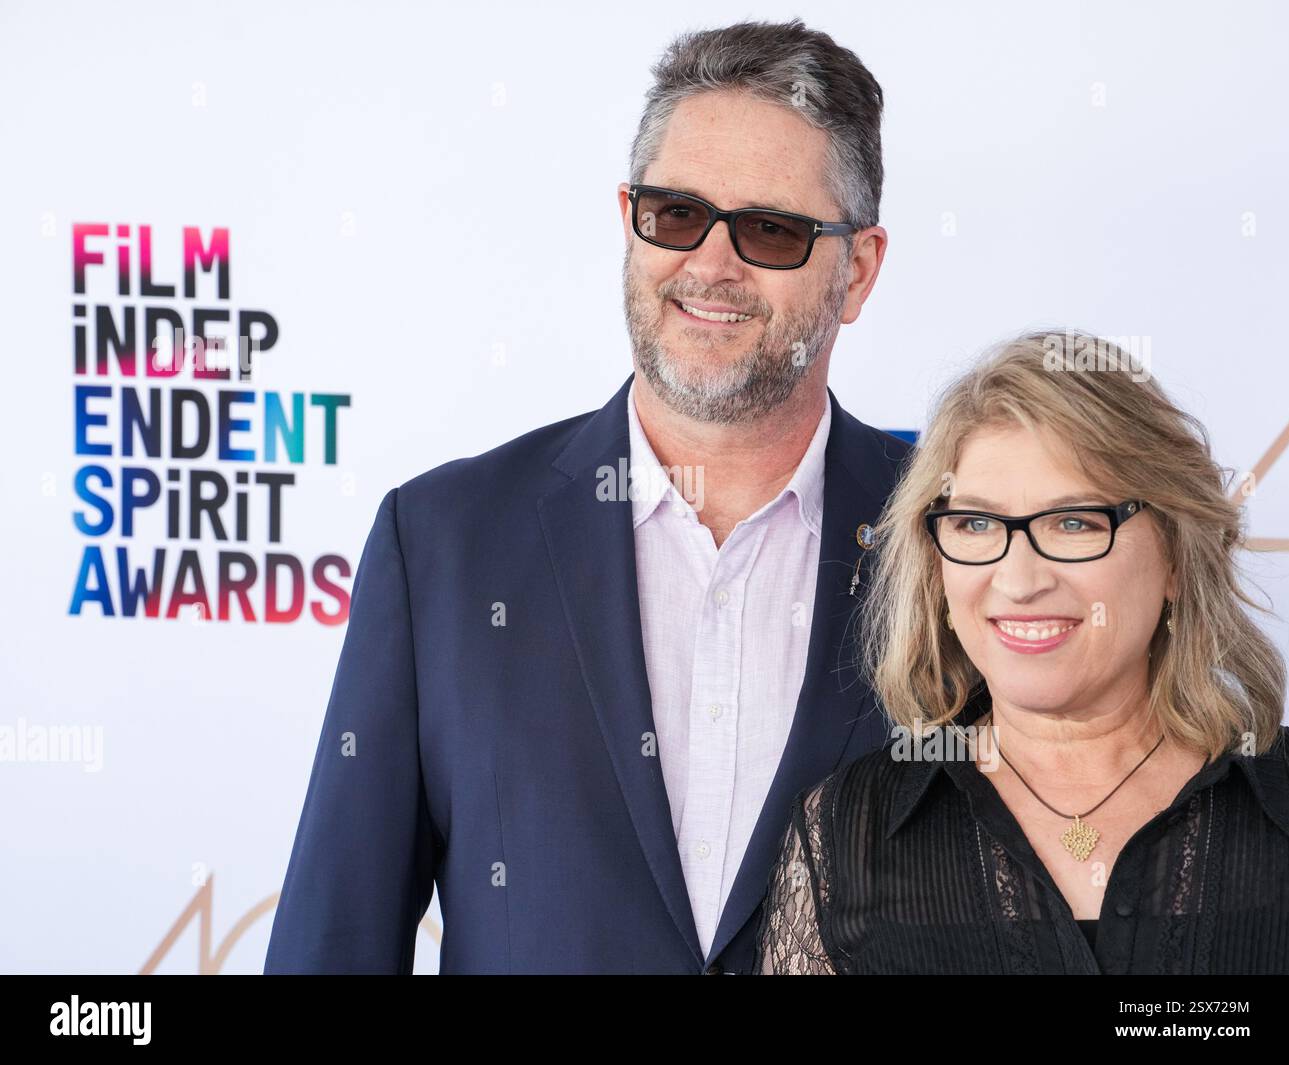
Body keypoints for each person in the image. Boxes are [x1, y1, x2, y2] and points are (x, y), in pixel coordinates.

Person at [265, 19, 910, 974]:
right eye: (677, 214)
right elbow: (336, 943)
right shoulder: (443, 542)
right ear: (629, 221)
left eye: (770, 229)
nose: (712, 264)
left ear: (856, 271)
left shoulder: (958, 542)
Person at [753, 330, 1289, 974]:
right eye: (976, 524)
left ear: (1177, 555)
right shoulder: (848, 829)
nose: (1019, 579)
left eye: (1074, 522)